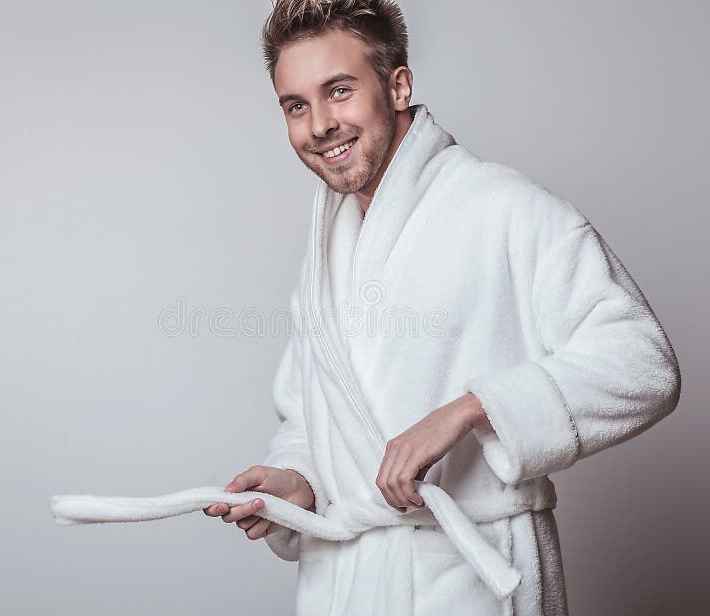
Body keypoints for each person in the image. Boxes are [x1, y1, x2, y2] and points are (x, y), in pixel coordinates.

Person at [202, 1, 681, 614]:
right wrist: (297, 481)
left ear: (398, 85)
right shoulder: (329, 247)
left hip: (471, 579)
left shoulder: (505, 209)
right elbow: (311, 412)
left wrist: (473, 409)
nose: (319, 124)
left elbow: (644, 364)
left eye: (339, 91)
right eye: (296, 105)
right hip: (345, 584)